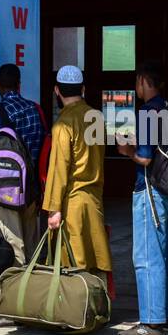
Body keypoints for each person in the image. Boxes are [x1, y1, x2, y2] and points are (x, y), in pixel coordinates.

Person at [116, 61, 168, 335]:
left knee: (146, 255)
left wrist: (125, 148)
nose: (136, 88)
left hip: (149, 189)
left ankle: (151, 323)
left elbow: (144, 157)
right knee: (167, 254)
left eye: (137, 82)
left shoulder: (146, 113)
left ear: (143, 81)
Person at [0, 63, 49, 329]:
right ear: (19, 85)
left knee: (13, 245)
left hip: (6, 191)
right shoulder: (34, 109)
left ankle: (13, 308)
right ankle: (33, 301)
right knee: (32, 244)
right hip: (31, 188)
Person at [42, 65, 111, 278]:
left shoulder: (62, 125)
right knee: (94, 262)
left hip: (72, 204)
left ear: (56, 90)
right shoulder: (96, 118)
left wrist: (53, 209)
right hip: (94, 200)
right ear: (82, 89)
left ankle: (76, 310)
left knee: (73, 265)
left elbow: (58, 170)